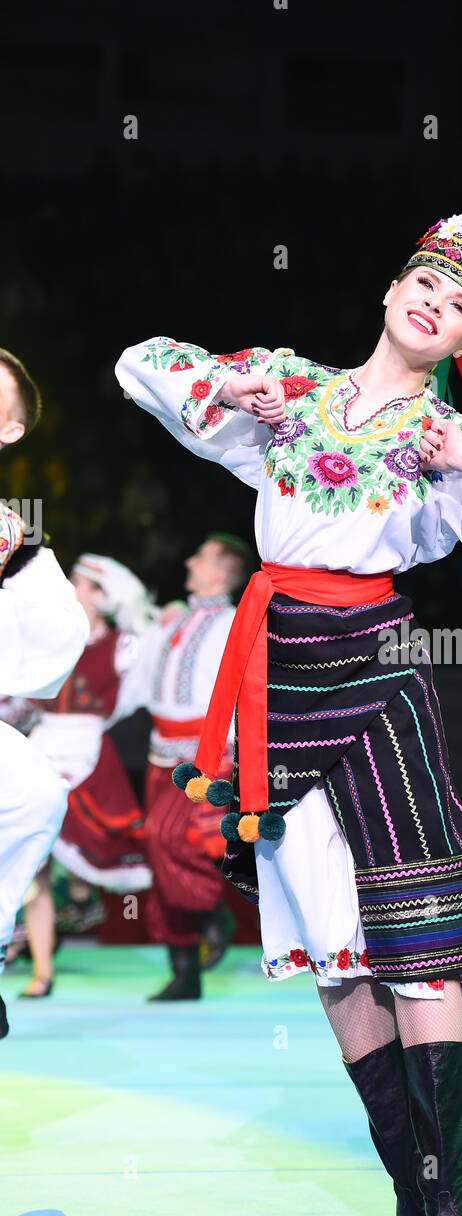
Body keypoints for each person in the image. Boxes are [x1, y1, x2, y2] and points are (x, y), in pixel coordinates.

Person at [115, 212, 462, 1216]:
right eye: (430, 280)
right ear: (394, 287)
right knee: (335, 954)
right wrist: (226, 392)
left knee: (417, 933)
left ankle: (454, 1197)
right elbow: (139, 363)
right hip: (279, 671)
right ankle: (409, 1186)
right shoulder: (290, 388)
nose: (439, 301)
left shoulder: (447, 446)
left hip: (381, 667)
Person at [109, 535, 250, 1001]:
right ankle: (184, 969)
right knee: (158, 851)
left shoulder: (235, 622)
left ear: (220, 572)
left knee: (173, 839)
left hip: (204, 755)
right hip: (159, 751)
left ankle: (212, 912)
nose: (189, 559)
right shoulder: (175, 617)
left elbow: (245, 687)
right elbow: (137, 671)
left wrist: (232, 748)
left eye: (201, 556)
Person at [0, 350, 90, 1038]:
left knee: (35, 792)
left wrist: (19, 559)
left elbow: (55, 652)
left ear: (10, 431)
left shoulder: (14, 535)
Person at [19, 556, 155, 997]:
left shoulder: (123, 643)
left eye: (77, 583)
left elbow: (149, 673)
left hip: (87, 749)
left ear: (100, 594)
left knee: (95, 838)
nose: (67, 589)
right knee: (32, 860)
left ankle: (80, 893)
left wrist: (152, 614)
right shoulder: (48, 635)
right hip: (41, 745)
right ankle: (42, 969)